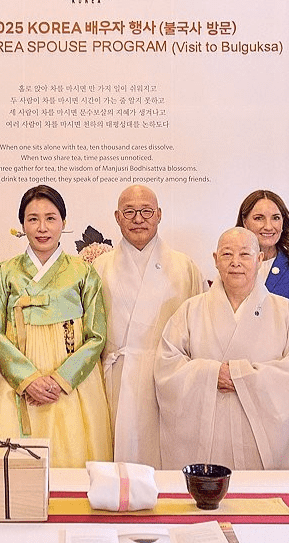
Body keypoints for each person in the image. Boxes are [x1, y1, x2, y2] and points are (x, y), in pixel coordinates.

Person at [0, 184, 113, 467]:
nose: (42, 227)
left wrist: (61, 380)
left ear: (64, 222)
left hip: (70, 378)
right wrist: (27, 379)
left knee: (72, 453)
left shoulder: (83, 272)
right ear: (22, 224)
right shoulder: (5, 271)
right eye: (32, 218)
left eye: (51, 218)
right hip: (15, 378)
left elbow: (97, 335)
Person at [156, 227, 289, 470]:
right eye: (227, 255)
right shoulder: (191, 310)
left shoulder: (284, 312)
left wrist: (243, 376)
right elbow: (167, 364)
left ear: (260, 259)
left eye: (244, 254)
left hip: (263, 435)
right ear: (215, 260)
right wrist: (211, 374)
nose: (235, 263)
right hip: (205, 433)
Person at [91, 184, 204, 467]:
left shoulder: (184, 266)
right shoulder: (99, 268)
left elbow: (200, 330)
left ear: (159, 215)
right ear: (117, 217)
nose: (138, 219)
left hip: (167, 377)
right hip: (115, 376)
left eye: (146, 211)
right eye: (129, 212)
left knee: (164, 455)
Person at [236, 189, 289, 333]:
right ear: (245, 222)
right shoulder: (233, 266)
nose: (268, 226)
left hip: (286, 354)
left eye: (275, 218)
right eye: (259, 218)